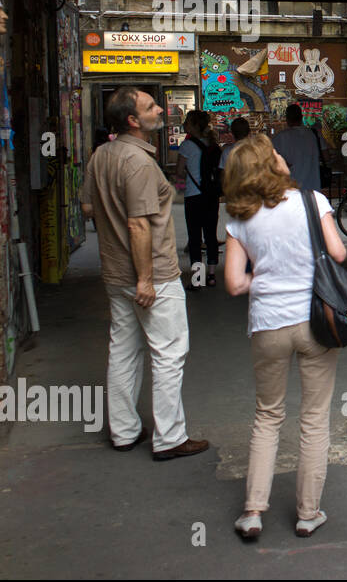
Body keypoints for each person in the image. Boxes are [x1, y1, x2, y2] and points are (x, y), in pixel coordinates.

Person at [223, 132, 347, 539]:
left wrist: (263, 274)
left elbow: (233, 284)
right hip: (315, 322)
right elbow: (340, 254)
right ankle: (308, 513)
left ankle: (253, 511)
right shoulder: (313, 201)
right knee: (313, 418)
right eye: (275, 153)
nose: (282, 156)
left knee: (267, 415)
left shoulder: (240, 219)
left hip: (268, 325)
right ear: (270, 166)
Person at [79, 87, 209, 460]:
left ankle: (123, 431)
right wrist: (146, 279)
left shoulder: (101, 155)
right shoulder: (137, 163)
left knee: (123, 351)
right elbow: (139, 226)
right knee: (169, 353)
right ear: (133, 121)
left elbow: (89, 207)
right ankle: (169, 437)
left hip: (116, 272)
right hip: (151, 274)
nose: (159, 109)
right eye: (151, 107)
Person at [175, 110, 221, 287]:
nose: (184, 124)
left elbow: (179, 171)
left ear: (194, 125)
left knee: (195, 238)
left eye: (187, 122)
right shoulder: (212, 144)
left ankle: (198, 279)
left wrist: (181, 184)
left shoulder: (187, 146)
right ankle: (211, 275)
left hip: (193, 196)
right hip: (211, 196)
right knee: (211, 235)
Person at [272, 104, 325, 194]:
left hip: (290, 190)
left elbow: (271, 161)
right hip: (313, 189)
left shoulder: (280, 138)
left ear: (287, 119)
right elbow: (326, 156)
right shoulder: (314, 135)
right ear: (301, 117)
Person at [218, 116, 250, 187]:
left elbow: (224, 176)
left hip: (233, 192)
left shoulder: (227, 151)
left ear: (232, 133)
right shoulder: (256, 150)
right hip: (252, 192)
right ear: (249, 132)